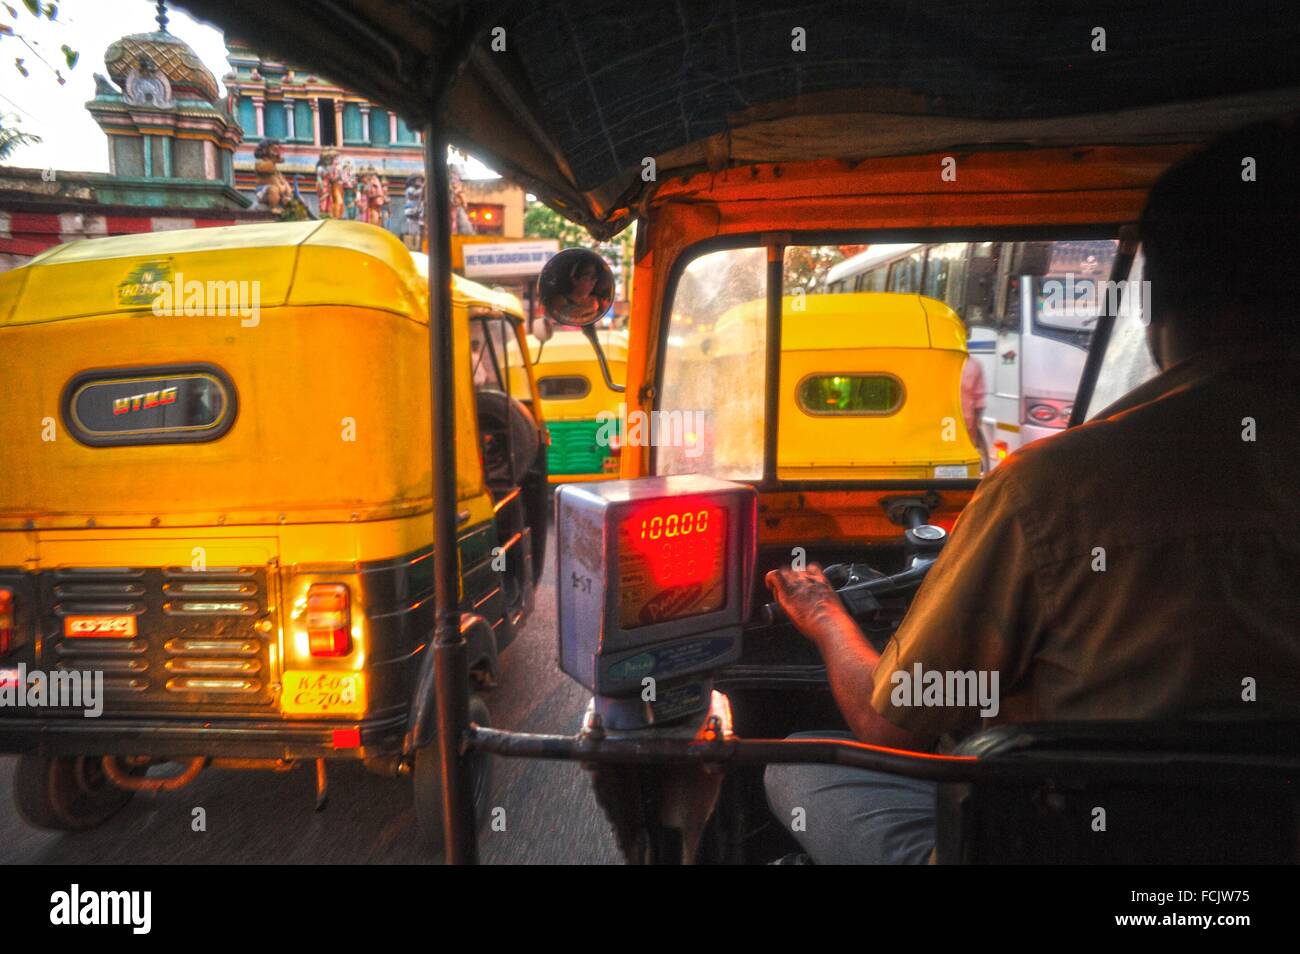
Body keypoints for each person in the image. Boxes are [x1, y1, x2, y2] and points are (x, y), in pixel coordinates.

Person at [763, 119, 1300, 864]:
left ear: (1155, 303)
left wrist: (823, 614)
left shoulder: (1052, 491)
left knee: (799, 766)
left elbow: (895, 721)